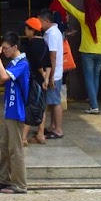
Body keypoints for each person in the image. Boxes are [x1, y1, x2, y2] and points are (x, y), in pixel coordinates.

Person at [51, 0, 101, 114]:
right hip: (100, 51)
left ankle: (94, 106)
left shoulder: (84, 17)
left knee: (89, 78)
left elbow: (69, 7)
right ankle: (94, 103)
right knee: (96, 77)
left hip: (87, 51)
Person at [0, 31, 29, 193]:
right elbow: (1, 78)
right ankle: (4, 179)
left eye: (6, 48)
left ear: (15, 47)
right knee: (5, 146)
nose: (4, 51)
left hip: (17, 111)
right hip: (10, 110)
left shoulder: (22, 63)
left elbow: (5, 77)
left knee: (15, 149)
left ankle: (20, 184)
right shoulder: (13, 62)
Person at [21, 17, 51, 146]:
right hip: (43, 80)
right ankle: (40, 134)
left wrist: (42, 74)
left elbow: (36, 62)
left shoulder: (31, 44)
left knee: (31, 106)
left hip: (34, 80)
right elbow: (48, 63)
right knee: (41, 106)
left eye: (27, 29)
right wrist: (47, 77)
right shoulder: (44, 43)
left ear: (32, 30)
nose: (25, 31)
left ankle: (23, 138)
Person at [39, 9, 65, 141]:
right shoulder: (52, 32)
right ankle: (52, 126)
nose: (39, 25)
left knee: (55, 102)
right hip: (54, 73)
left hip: (54, 74)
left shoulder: (52, 34)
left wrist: (51, 76)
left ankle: (58, 129)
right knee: (52, 101)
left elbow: (52, 56)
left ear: (47, 21)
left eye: (41, 22)